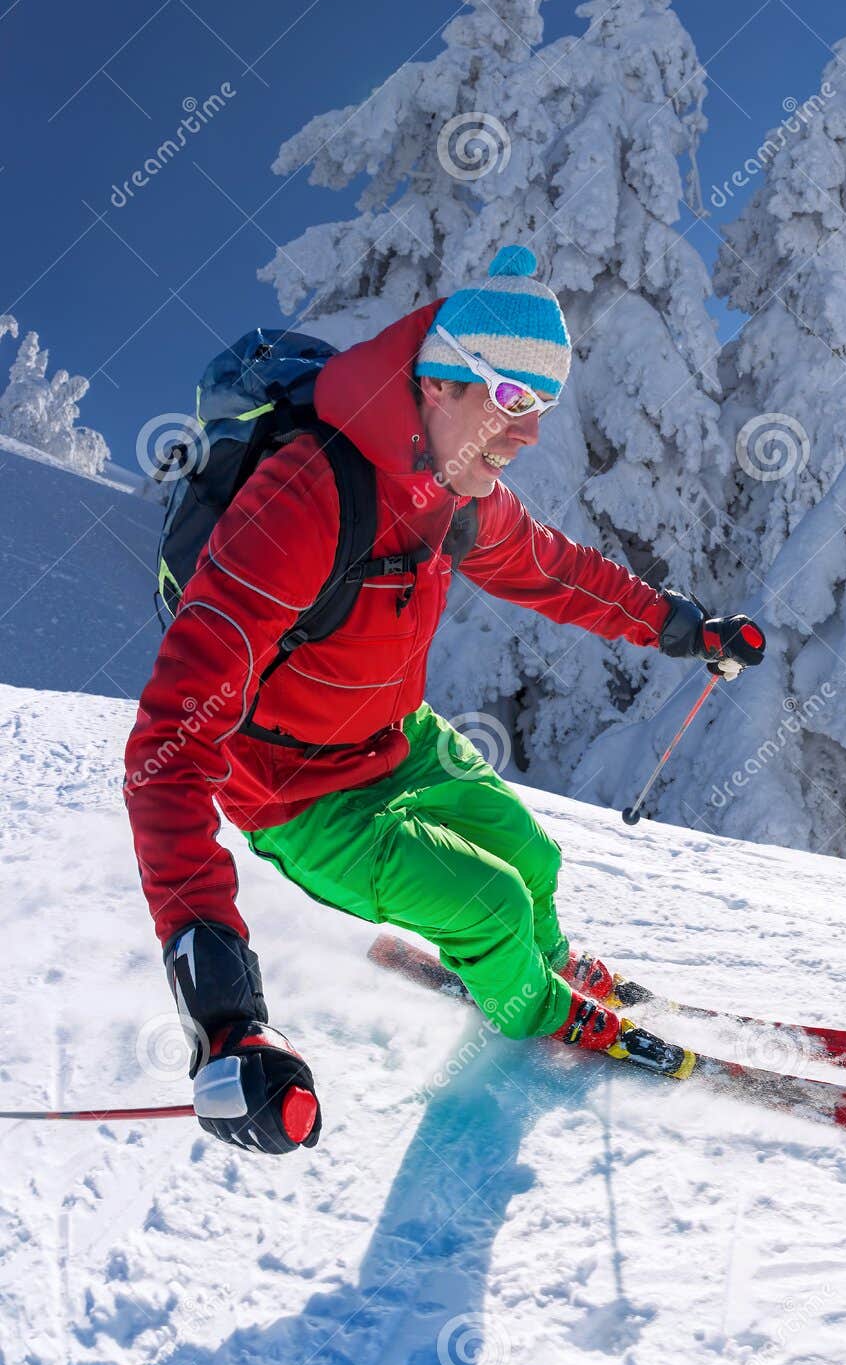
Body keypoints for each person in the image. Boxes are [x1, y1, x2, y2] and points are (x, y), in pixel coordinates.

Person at [124, 246, 765, 1156]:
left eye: (540, 407)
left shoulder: (454, 486)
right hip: (300, 795)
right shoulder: (300, 503)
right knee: (492, 903)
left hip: (401, 741)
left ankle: (539, 969)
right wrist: (223, 1012)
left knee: (531, 858)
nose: (530, 433)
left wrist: (683, 626)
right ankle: (535, 1011)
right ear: (437, 383)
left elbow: (555, 572)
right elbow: (165, 755)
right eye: (511, 400)